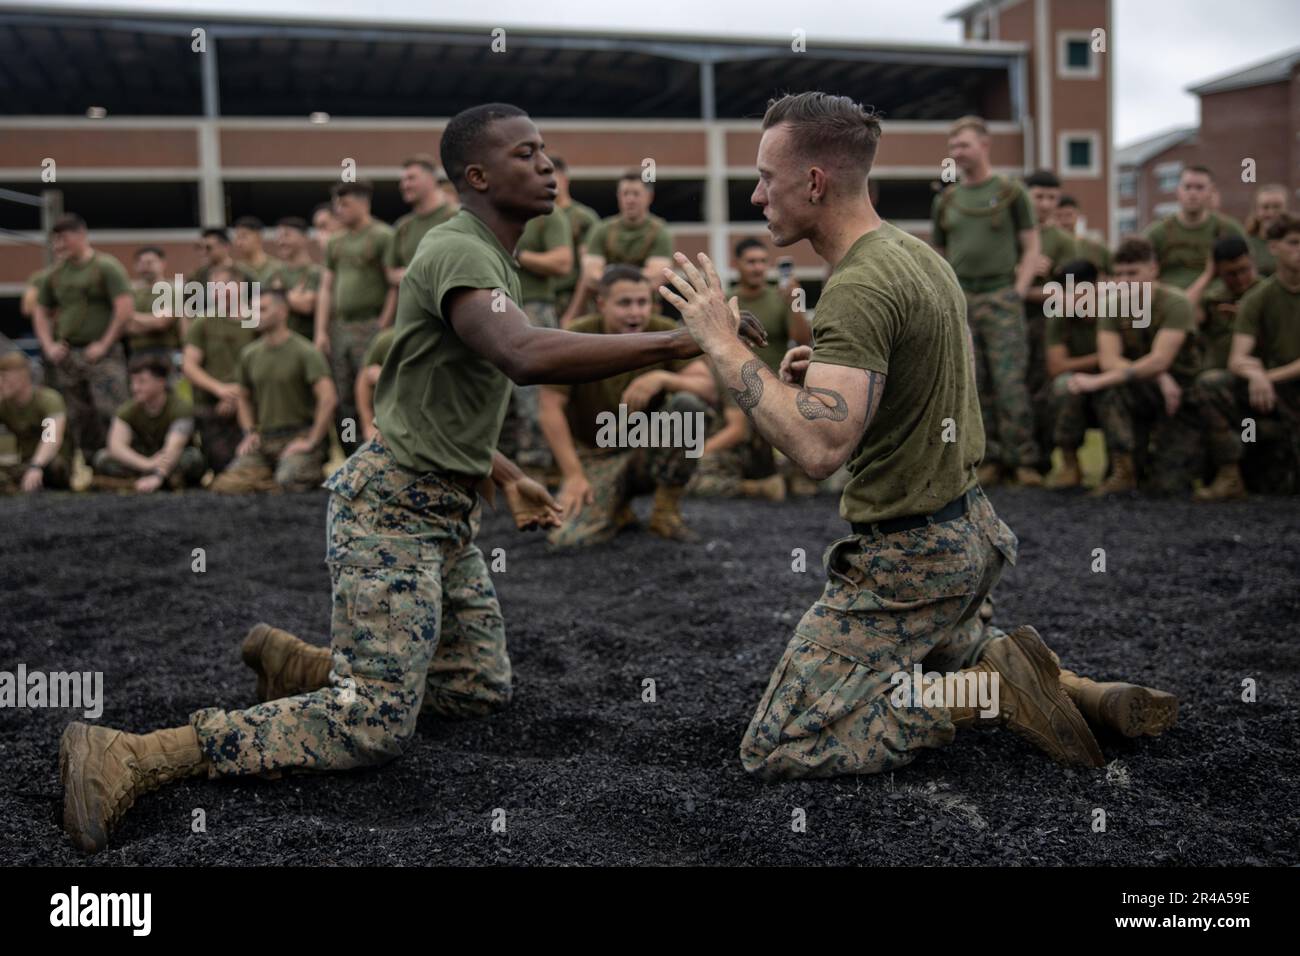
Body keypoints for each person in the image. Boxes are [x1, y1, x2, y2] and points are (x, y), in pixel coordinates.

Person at [58, 101, 764, 853]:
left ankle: (307, 665)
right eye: (526, 154)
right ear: (477, 174)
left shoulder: (490, 257)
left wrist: (503, 471)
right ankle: (134, 754)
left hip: (442, 516)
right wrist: (681, 341)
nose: (548, 165)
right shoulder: (460, 250)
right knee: (372, 727)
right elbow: (522, 355)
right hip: (390, 512)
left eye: (548, 151)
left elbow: (426, 401)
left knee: (474, 688)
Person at [659, 91, 1174, 782]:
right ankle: (1079, 692)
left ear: (813, 182)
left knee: (780, 743)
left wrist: (721, 344)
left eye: (765, 178)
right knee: (943, 653)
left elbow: (819, 450)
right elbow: (924, 371)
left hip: (909, 562)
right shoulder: (915, 256)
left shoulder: (858, 286)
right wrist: (836, 371)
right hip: (967, 533)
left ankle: (990, 697)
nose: (756, 196)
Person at [539, 265, 716, 547]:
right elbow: (549, 408)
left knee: (688, 406)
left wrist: (663, 378)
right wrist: (573, 475)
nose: (635, 312)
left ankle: (665, 512)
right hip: (595, 456)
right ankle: (617, 508)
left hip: (643, 448)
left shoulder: (666, 333)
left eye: (642, 302)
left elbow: (707, 389)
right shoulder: (575, 337)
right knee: (568, 540)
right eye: (624, 303)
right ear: (601, 304)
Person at [931, 116, 1042, 487]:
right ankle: (988, 458)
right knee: (974, 385)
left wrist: (1018, 290)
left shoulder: (1012, 192)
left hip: (1001, 297)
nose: (956, 153)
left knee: (1010, 381)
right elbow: (940, 252)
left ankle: (1023, 460)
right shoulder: (948, 199)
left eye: (963, 145)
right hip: (962, 301)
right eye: (952, 147)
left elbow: (1031, 245)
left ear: (985, 144)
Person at [1064, 237, 1204, 496]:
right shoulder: (1112, 306)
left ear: (1153, 269)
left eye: (1133, 273)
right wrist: (1159, 376)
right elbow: (1108, 360)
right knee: (1111, 389)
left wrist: (1157, 371)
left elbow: (1161, 359)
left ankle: (1213, 467)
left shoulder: (1176, 303)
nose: (1125, 281)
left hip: (1182, 396)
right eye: (1119, 274)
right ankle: (1124, 468)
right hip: (1144, 389)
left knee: (1168, 487)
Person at [1196, 213, 1300, 500]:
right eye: (1293, 243)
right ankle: (1230, 473)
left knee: (1284, 489)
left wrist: (1264, 376)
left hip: (1283, 383)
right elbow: (1237, 358)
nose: (1298, 250)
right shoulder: (1258, 298)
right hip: (1276, 393)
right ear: (1273, 248)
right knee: (1211, 383)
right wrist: (1255, 375)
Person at [210, 287, 335, 494]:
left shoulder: (306, 352)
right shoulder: (249, 354)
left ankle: (285, 475)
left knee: (288, 479)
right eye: (253, 309)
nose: (256, 314)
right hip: (265, 440)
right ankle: (271, 479)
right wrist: (249, 432)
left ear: (282, 312)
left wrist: (312, 440)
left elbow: (328, 398)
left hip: (298, 437)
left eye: (263, 309)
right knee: (225, 484)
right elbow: (243, 397)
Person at [32, 214, 134, 459]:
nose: (59, 246)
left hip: (102, 354)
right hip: (68, 354)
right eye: (55, 241)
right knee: (79, 415)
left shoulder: (105, 267)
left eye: (64, 239)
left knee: (113, 410)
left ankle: (121, 462)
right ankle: (91, 465)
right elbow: (40, 312)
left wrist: (104, 344)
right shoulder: (54, 274)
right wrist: (49, 345)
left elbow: (124, 309)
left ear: (81, 235)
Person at [315, 180, 395, 455]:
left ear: (364, 203)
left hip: (370, 324)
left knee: (373, 391)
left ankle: (378, 451)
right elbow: (326, 287)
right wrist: (321, 331)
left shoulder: (382, 235)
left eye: (346, 203)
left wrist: (383, 324)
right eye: (337, 203)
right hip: (341, 328)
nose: (340, 210)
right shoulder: (335, 242)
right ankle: (351, 451)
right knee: (344, 395)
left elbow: (393, 284)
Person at [561, 171, 673, 326]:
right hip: (605, 314)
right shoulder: (602, 230)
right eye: (625, 193)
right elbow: (590, 275)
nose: (630, 199)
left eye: (636, 194)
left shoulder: (659, 231)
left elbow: (657, 276)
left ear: (649, 197)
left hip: (645, 314)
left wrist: (610, 274)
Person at [1023, 170, 1078, 473]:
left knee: (1043, 391)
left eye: (1051, 197)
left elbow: (1071, 294)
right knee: (1006, 391)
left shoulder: (1063, 242)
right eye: (1039, 197)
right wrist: (1025, 269)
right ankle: (1004, 460)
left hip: (1047, 326)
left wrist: (1028, 286)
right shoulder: (1011, 235)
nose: (1045, 204)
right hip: (1009, 326)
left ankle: (1041, 459)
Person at [181, 264, 259, 473]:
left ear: (240, 286)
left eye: (224, 286)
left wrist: (238, 396)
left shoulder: (256, 321)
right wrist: (220, 390)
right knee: (222, 466)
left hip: (253, 404)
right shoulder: (203, 323)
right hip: (212, 404)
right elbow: (189, 366)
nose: (217, 292)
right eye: (213, 287)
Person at [90, 355, 205, 492]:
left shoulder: (180, 407)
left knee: (193, 458)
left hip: (169, 459)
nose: (135, 388)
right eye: (133, 382)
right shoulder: (128, 409)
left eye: (142, 382)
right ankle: (160, 480)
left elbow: (173, 447)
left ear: (161, 382)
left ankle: (155, 480)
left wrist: (158, 476)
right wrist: (147, 464)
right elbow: (115, 445)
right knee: (102, 458)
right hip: (144, 458)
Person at [1143, 166, 1245, 306]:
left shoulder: (1228, 230)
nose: (1193, 193)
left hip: (1217, 303)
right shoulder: (1157, 233)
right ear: (1178, 191)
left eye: (1199, 187)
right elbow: (1141, 274)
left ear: (1211, 191)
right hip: (1169, 304)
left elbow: (1247, 270)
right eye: (1187, 187)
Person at [1040, 259, 1102, 489]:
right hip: (1078, 384)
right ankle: (1069, 463)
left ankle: (1123, 465)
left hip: (1112, 382)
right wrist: (1099, 359)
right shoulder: (1059, 318)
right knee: (1064, 385)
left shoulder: (1115, 310)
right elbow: (1056, 368)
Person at [0, 351, 72, 493]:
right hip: (25, 463)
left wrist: (36, 466)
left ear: (22, 377)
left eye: (4, 377)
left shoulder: (48, 400)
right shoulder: (4, 404)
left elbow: (51, 437)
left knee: (53, 468)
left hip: (52, 463)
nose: (0, 383)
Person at [385, 155, 455, 287]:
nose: (405, 185)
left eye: (411, 178)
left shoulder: (456, 217)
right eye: (403, 180)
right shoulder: (404, 226)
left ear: (431, 179)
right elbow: (391, 273)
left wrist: (412, 275)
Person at [550, 156, 599, 318]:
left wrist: (573, 312)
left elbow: (589, 271)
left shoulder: (582, 218)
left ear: (565, 179)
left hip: (573, 298)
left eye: (553, 177)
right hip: (543, 300)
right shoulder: (534, 217)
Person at [123, 246, 181, 364]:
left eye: (150, 262)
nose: (145, 267)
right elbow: (125, 326)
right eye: (141, 263)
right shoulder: (130, 293)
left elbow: (161, 323)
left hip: (164, 353)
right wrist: (148, 321)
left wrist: (128, 315)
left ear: (162, 263)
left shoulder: (173, 291)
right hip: (135, 353)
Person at [274, 217, 322, 341]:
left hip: (307, 341)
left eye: (287, 235)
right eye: (278, 237)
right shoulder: (273, 273)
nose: (281, 242)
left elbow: (306, 305)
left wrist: (278, 293)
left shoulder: (316, 273)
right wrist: (293, 297)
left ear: (304, 238)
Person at [354, 326, 396, 443]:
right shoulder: (388, 340)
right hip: (391, 430)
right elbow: (364, 378)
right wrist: (367, 425)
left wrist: (385, 379)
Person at [1055, 195, 1111, 274]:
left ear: (1077, 215)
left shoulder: (1094, 246)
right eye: (1058, 216)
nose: (1064, 221)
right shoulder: (1049, 247)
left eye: (1069, 215)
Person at [1243, 184, 1288, 278]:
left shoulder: (1294, 242)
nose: (1271, 213)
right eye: (1265, 207)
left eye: (1277, 207)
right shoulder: (1246, 243)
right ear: (1256, 210)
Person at [232, 216, 283, 286]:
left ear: (258, 237)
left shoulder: (276, 267)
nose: (239, 243)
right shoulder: (236, 269)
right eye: (237, 237)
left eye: (243, 236)